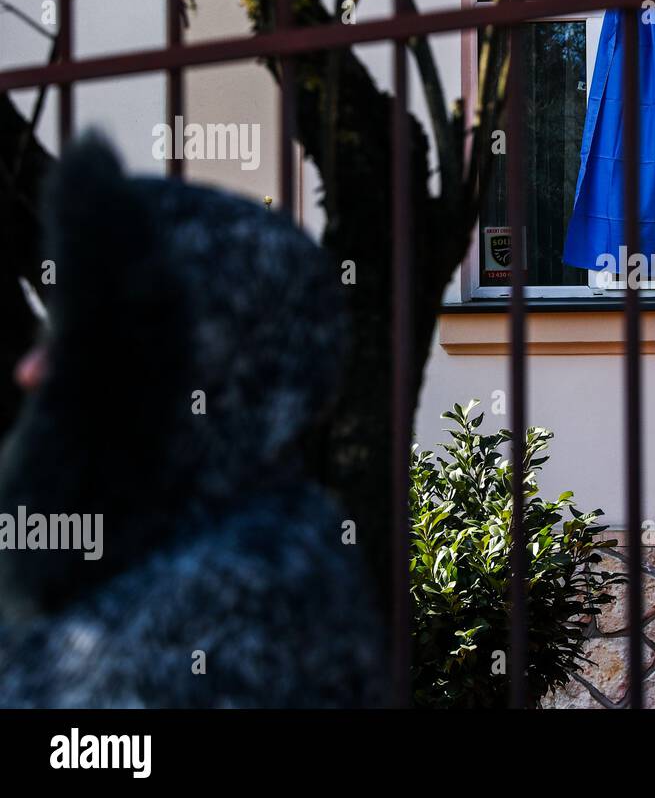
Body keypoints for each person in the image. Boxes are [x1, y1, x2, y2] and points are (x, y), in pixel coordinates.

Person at [0, 133, 387, 706]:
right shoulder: (157, 537)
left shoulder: (260, 582)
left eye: (79, 336)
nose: (32, 371)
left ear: (201, 358)